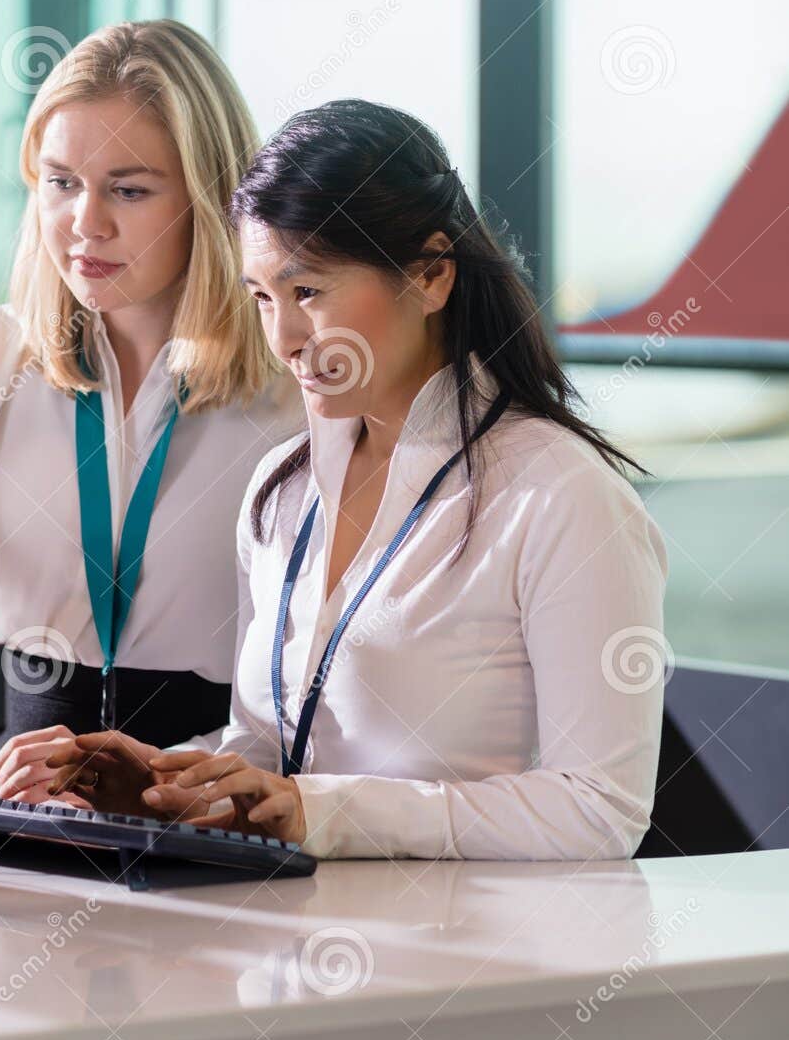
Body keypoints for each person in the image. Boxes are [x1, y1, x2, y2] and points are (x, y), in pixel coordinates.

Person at [43, 99, 669, 862]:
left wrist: (327, 811)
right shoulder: (282, 488)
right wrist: (162, 786)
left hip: (477, 965)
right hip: (292, 953)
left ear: (432, 275)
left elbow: (599, 813)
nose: (282, 338)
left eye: (308, 291)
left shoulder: (561, 496)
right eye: (261, 297)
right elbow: (276, 756)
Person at [0, 20, 300, 799]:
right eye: (60, 182)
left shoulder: (294, 394)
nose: (86, 223)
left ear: (209, 200)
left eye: (129, 190)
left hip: (205, 797)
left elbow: (316, 671)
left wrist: (176, 775)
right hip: (5, 791)